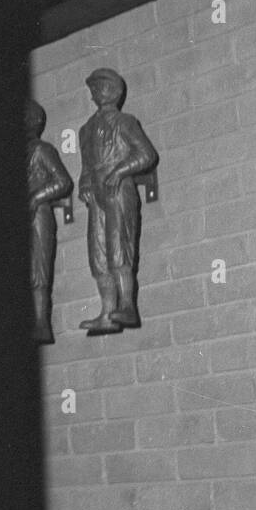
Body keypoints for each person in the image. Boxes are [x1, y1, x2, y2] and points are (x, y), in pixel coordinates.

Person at [77, 68, 157, 335]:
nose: (96, 94)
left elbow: (146, 155)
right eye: (93, 89)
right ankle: (107, 311)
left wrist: (119, 171)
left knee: (119, 247)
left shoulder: (125, 122)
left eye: (100, 87)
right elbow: (86, 167)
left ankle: (126, 305)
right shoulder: (86, 129)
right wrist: (85, 185)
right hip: (98, 194)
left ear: (114, 90)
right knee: (98, 252)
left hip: (118, 188)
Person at [25, 98, 73, 344]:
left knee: (39, 270)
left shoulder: (42, 150)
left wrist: (36, 197)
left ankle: (41, 322)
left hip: (38, 215)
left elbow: (63, 182)